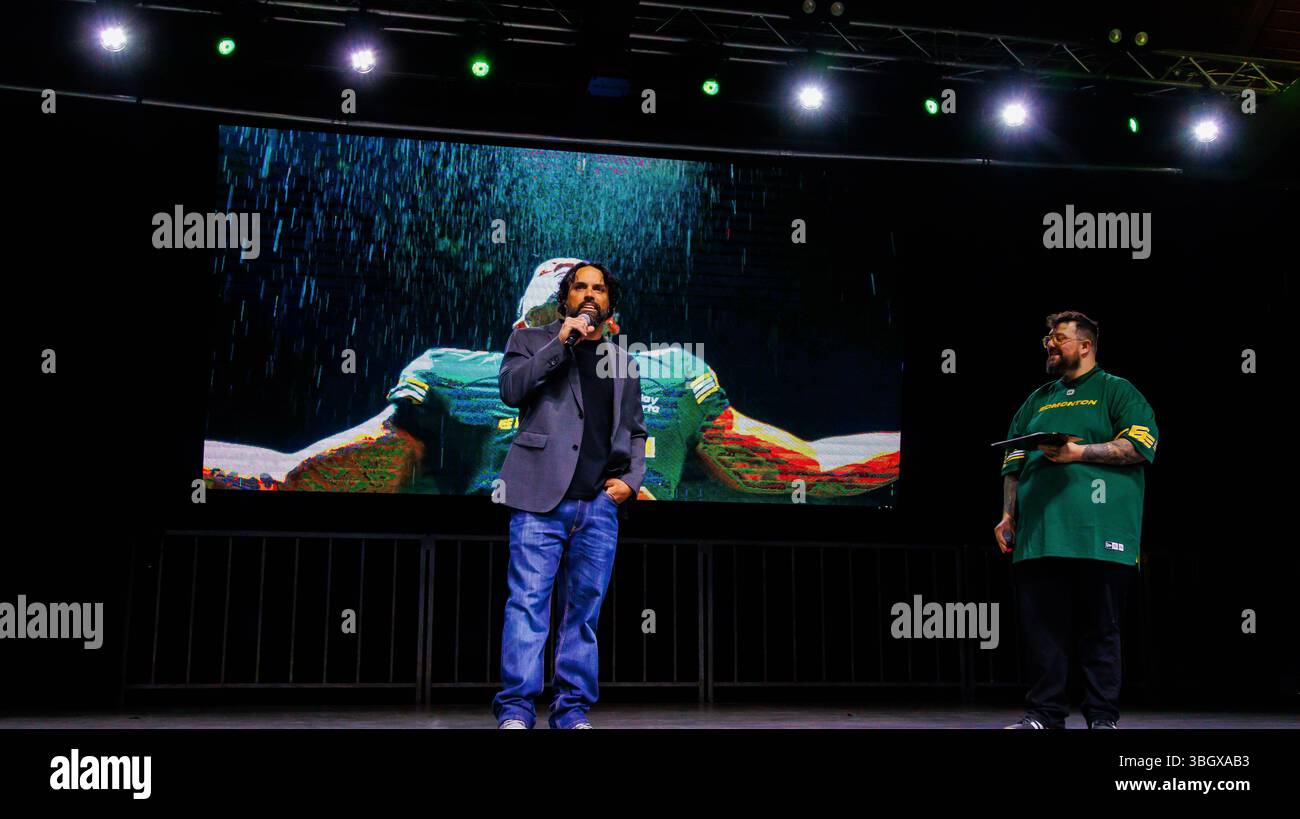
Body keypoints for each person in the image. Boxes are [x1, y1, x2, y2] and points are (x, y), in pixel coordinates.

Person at [491, 261, 645, 729]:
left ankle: (572, 711)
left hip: (598, 506)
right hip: (540, 499)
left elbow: (637, 432)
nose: (590, 296)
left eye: (599, 289)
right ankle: (517, 711)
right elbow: (510, 391)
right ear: (566, 300)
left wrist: (631, 482)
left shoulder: (622, 361)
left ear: (610, 303)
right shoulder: (530, 342)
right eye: (580, 288)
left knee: (582, 616)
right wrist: (561, 341)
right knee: (527, 607)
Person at [995, 311, 1158, 729]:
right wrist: (1007, 513)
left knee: (1100, 630)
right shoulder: (1038, 398)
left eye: (1059, 337)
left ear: (1085, 346)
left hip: (1100, 534)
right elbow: (1013, 461)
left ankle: (1102, 719)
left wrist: (1079, 453)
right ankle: (1044, 715)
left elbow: (1139, 446)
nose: (1049, 343)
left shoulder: (1116, 391)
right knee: (1041, 632)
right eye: (1047, 337)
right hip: (1040, 537)